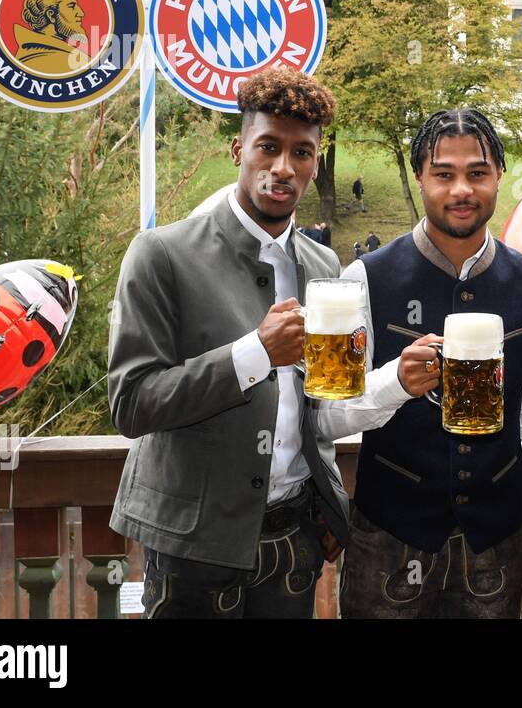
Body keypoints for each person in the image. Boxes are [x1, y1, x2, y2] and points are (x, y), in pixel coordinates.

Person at [107, 68, 350, 618]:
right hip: (193, 547)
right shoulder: (160, 254)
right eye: (268, 147)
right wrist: (256, 353)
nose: (282, 168)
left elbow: (315, 409)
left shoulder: (324, 264)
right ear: (239, 149)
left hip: (293, 541)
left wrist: (325, 503)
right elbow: (131, 404)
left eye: (302, 153)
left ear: (315, 162)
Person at [323, 108, 522, 618]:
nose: (461, 189)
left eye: (477, 173)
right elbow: (324, 416)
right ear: (420, 176)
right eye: (444, 174)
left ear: (499, 176)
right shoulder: (362, 279)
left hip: (494, 544)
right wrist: (394, 382)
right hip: (387, 538)